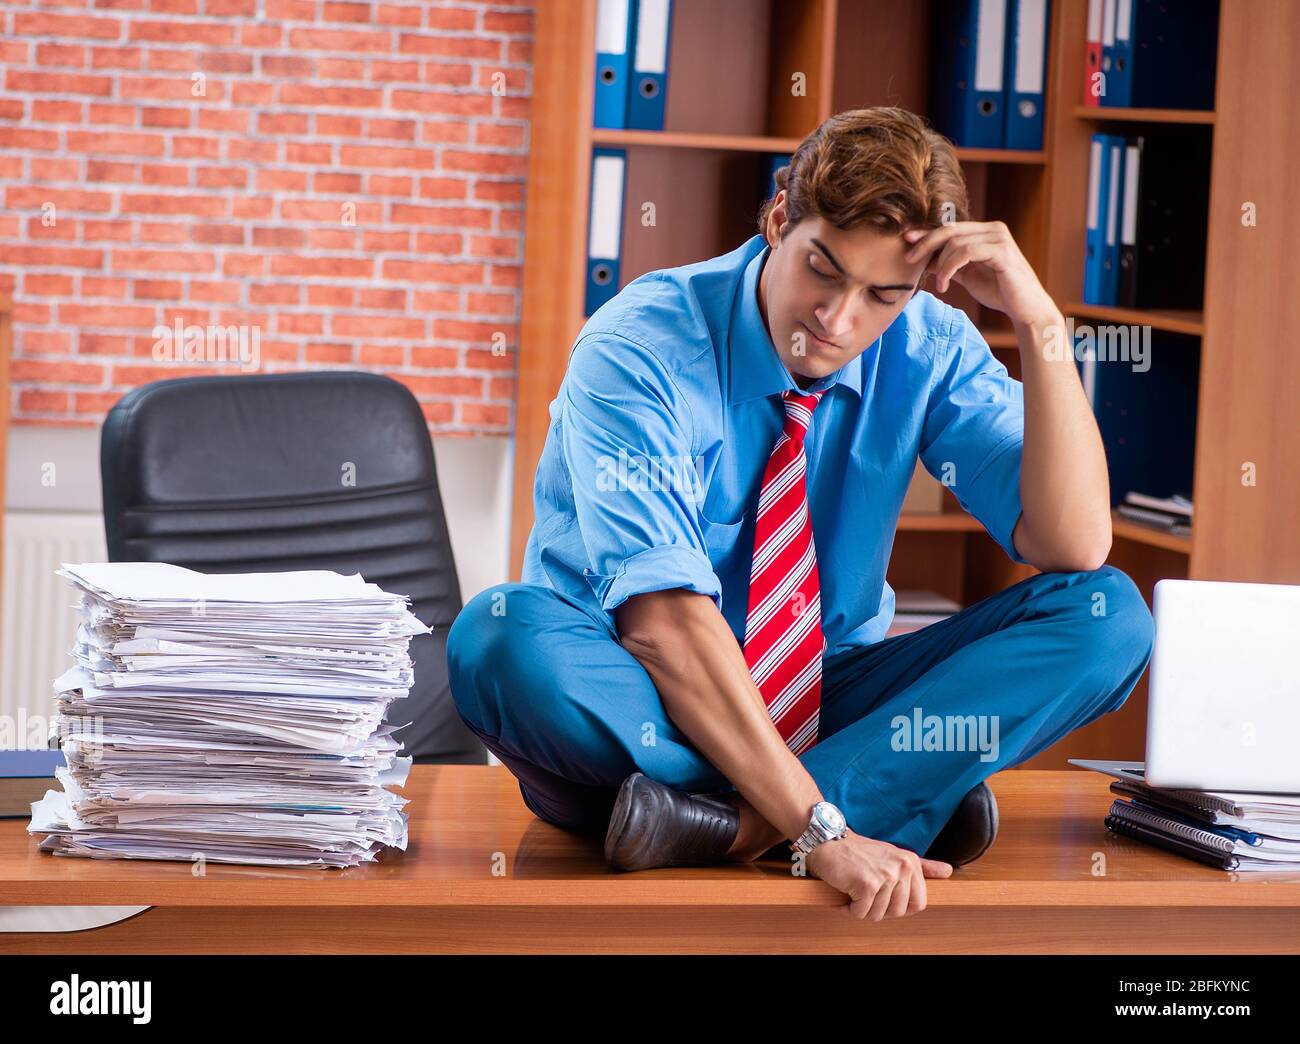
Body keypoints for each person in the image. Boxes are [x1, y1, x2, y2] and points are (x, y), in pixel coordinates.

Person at [447, 107, 1154, 922]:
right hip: (640, 692)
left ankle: (716, 827)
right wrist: (824, 827)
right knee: (497, 639)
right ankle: (882, 794)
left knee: (1107, 615)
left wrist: (1040, 325)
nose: (838, 318)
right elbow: (662, 628)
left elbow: (1072, 540)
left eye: (883, 294)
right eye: (823, 267)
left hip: (822, 694)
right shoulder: (639, 346)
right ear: (781, 215)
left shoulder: (929, 342)